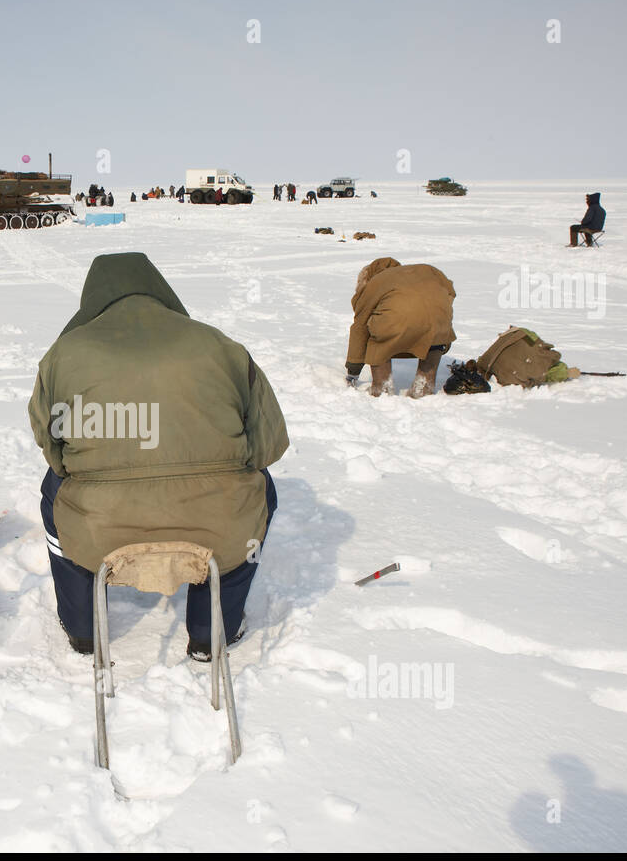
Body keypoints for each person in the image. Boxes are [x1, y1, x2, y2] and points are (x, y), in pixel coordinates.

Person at [29, 252, 289, 660]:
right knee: (261, 492)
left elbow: (53, 448)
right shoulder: (220, 344)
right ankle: (210, 633)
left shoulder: (63, 354)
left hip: (100, 530)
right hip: (218, 526)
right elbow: (268, 445)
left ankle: (83, 629)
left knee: (54, 492)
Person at [345, 257, 456, 398]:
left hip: (396, 326)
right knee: (432, 339)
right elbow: (451, 291)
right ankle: (423, 387)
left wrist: (353, 370)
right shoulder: (426, 271)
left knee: (379, 338)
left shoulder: (378, 280)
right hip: (440, 322)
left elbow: (360, 326)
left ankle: (382, 387)